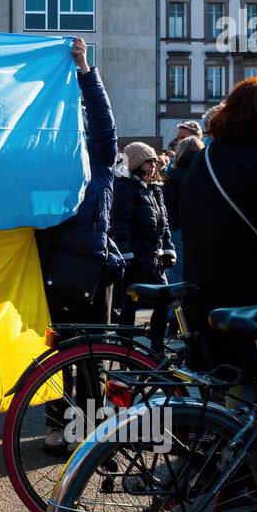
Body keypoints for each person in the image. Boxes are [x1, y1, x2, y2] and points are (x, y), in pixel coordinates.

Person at [179, 77, 257, 400]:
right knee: (250, 392)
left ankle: (211, 446)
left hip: (202, 295)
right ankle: (234, 449)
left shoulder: (204, 159)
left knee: (214, 391)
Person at [38, 37, 123, 450]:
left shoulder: (58, 160)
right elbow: (106, 124)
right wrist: (85, 71)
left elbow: (104, 123)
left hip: (58, 268)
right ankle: (81, 433)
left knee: (65, 355)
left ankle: (63, 430)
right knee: (92, 354)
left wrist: (86, 73)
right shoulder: (98, 158)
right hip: (87, 266)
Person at [110, 141, 173, 341]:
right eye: (148, 162)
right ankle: (123, 348)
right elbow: (121, 223)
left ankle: (156, 345)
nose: (153, 165)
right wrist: (126, 252)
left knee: (165, 302)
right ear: (136, 163)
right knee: (130, 307)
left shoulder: (155, 189)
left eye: (154, 161)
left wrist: (168, 249)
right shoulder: (125, 187)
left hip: (155, 258)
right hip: (136, 258)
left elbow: (164, 224)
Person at [163, 132, 203, 283]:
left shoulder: (171, 176)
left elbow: (168, 205)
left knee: (177, 270)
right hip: (200, 227)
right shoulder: (202, 176)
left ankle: (176, 305)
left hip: (177, 227)